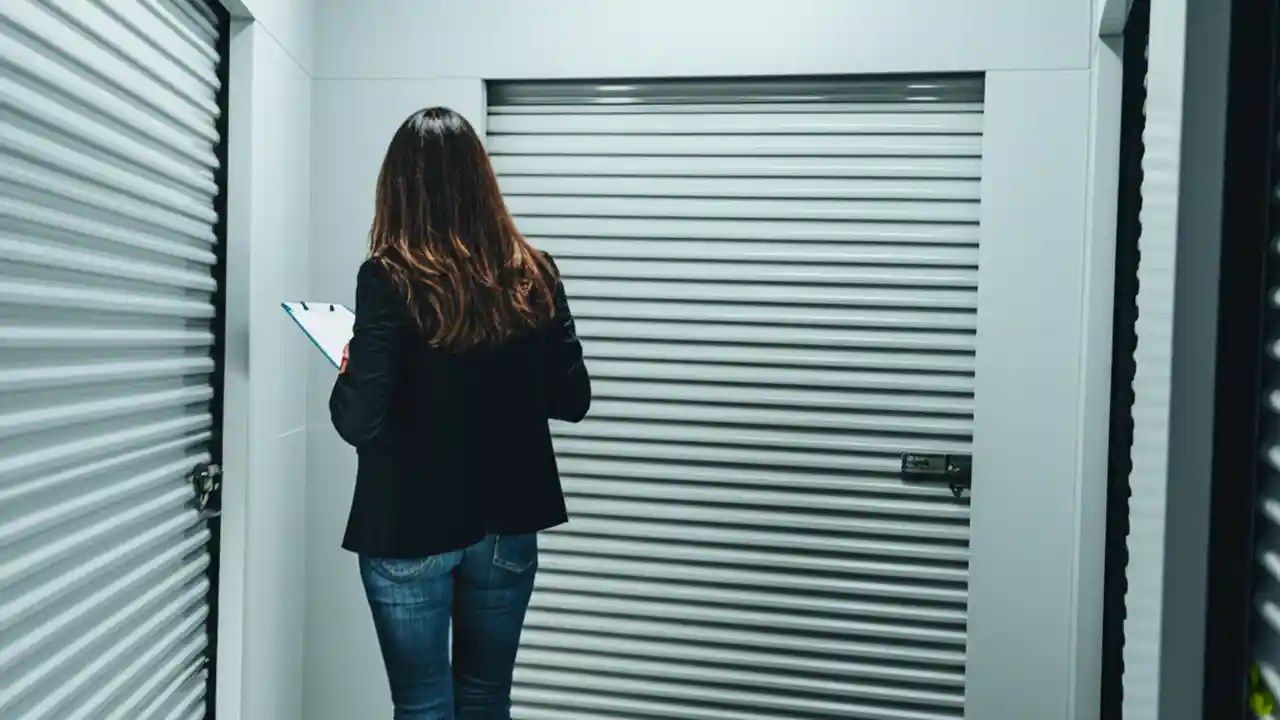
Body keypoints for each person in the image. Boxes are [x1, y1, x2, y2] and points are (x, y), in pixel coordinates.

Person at [329, 106, 591, 720]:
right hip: (506, 523)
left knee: (423, 708)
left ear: (398, 188)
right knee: (486, 699)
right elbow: (572, 399)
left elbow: (357, 421)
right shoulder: (535, 272)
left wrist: (350, 365)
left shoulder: (386, 279)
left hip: (409, 526)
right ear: (482, 182)